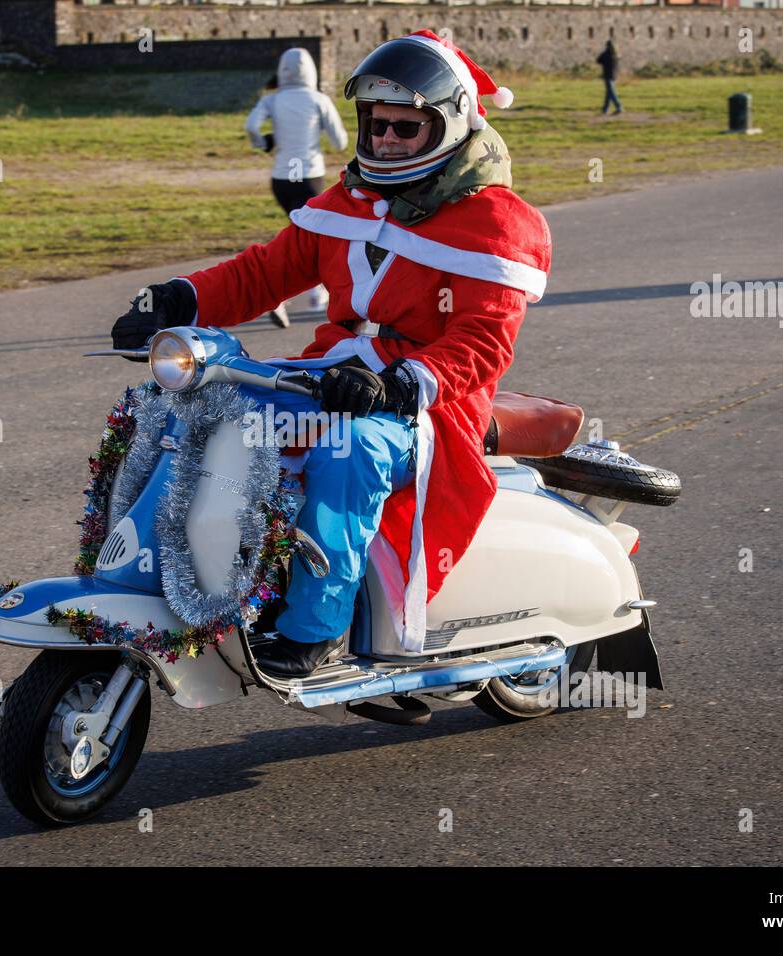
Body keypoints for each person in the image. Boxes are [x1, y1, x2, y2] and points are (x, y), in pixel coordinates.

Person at [111, 30, 551, 678]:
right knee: (188, 405)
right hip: (325, 378)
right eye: (376, 125)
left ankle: (314, 629)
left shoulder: (490, 221)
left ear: (449, 125)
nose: (388, 140)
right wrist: (173, 300)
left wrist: (404, 382)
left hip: (427, 408)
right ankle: (173, 574)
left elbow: (482, 342)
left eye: (407, 127)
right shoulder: (345, 202)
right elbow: (259, 275)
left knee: (350, 450)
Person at [245, 47, 348, 328]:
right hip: (309, 176)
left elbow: (251, 125)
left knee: (304, 237)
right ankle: (294, 294)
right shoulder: (319, 100)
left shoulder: (273, 100)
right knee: (315, 238)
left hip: (281, 180)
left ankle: (312, 292)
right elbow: (340, 142)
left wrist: (264, 143)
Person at [597, 40, 622, 115]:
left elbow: (598, 60)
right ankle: (605, 109)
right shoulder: (616, 54)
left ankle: (619, 107)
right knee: (609, 92)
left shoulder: (606, 54)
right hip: (614, 75)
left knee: (612, 92)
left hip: (607, 75)